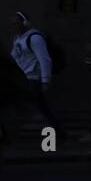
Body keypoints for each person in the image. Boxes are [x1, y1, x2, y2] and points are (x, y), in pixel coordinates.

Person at [8, 11, 63, 139]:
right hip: (23, 79)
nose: (14, 26)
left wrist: (45, 81)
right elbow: (14, 57)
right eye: (12, 24)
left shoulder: (35, 38)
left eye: (16, 23)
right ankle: (60, 133)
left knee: (19, 106)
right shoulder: (17, 39)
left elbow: (44, 59)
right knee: (42, 108)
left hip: (33, 80)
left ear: (25, 23)